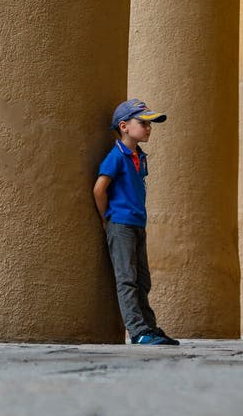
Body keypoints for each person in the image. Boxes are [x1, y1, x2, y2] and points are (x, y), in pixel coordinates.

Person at [93, 98, 179, 345]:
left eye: (150, 124)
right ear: (124, 126)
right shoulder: (116, 156)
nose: (149, 128)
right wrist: (106, 218)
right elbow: (100, 189)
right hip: (120, 224)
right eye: (143, 123)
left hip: (138, 224)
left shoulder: (138, 156)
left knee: (143, 279)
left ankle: (150, 328)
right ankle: (138, 331)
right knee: (127, 278)